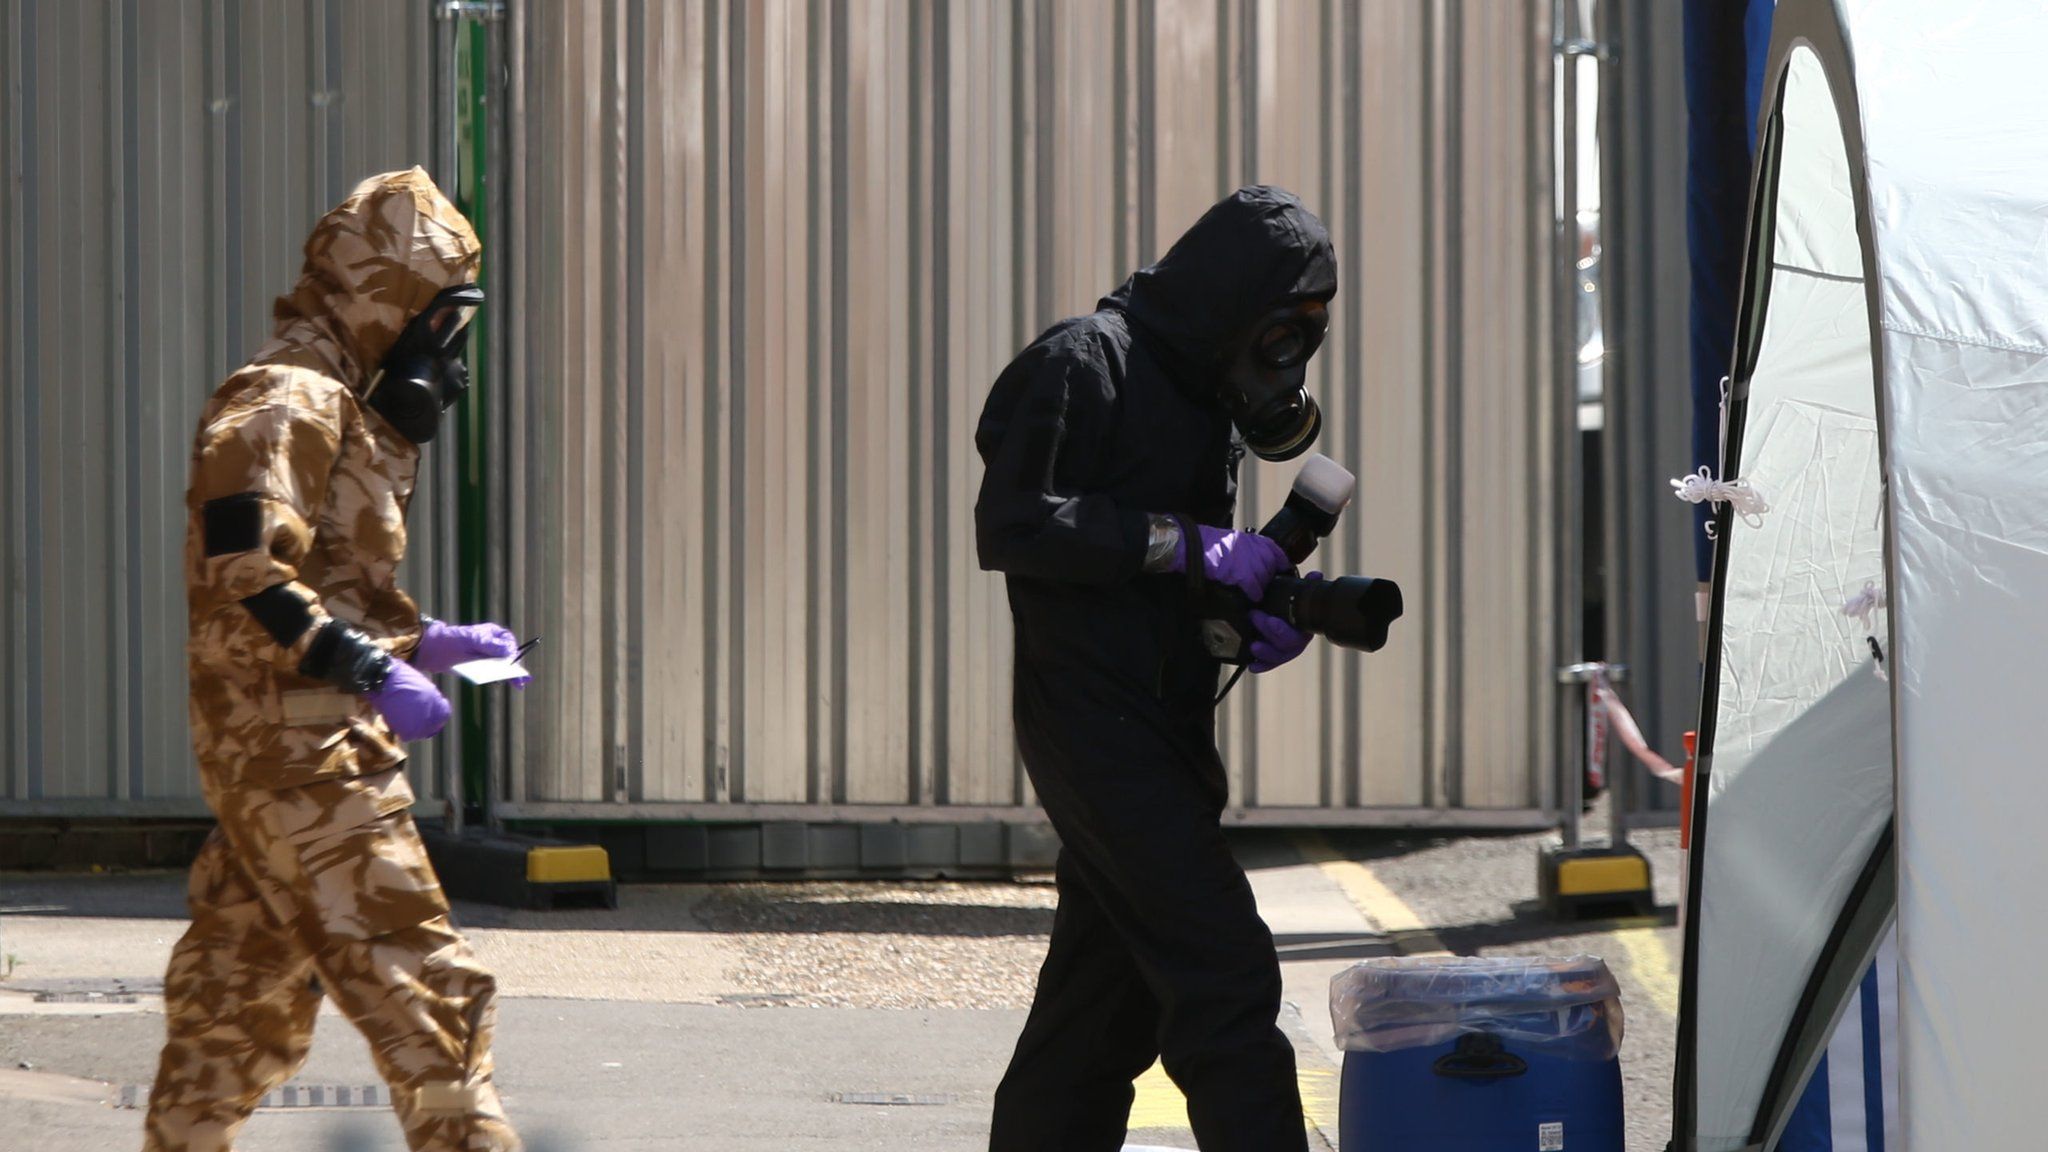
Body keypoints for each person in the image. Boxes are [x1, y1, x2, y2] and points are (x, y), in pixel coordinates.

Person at [145, 167, 524, 1152]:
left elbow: (322, 588)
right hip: (307, 769)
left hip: (277, 769)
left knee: (229, 1018)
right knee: (430, 1003)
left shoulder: (336, 408)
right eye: (441, 320)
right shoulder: (285, 398)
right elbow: (246, 571)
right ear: (386, 295)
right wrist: (369, 673)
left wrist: (424, 643)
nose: (446, 352)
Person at [976, 185, 1338, 1152]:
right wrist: (1190, 547)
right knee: (1222, 972)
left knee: (1099, 1011)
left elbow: (1171, 577)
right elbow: (1014, 524)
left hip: (1165, 724)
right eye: (1281, 328)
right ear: (1229, 303)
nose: (1286, 356)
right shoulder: (1082, 363)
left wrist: (1252, 614)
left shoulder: (1199, 391)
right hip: (1093, 725)